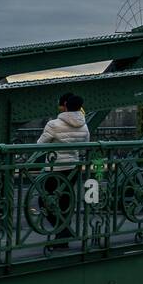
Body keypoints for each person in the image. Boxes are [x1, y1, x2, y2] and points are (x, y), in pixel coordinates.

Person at [35, 93, 89, 249]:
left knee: (44, 200)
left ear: (64, 106)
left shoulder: (54, 124)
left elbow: (40, 145)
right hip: (72, 169)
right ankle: (62, 236)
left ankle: (63, 231)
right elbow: (85, 148)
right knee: (65, 202)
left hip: (55, 169)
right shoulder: (84, 126)